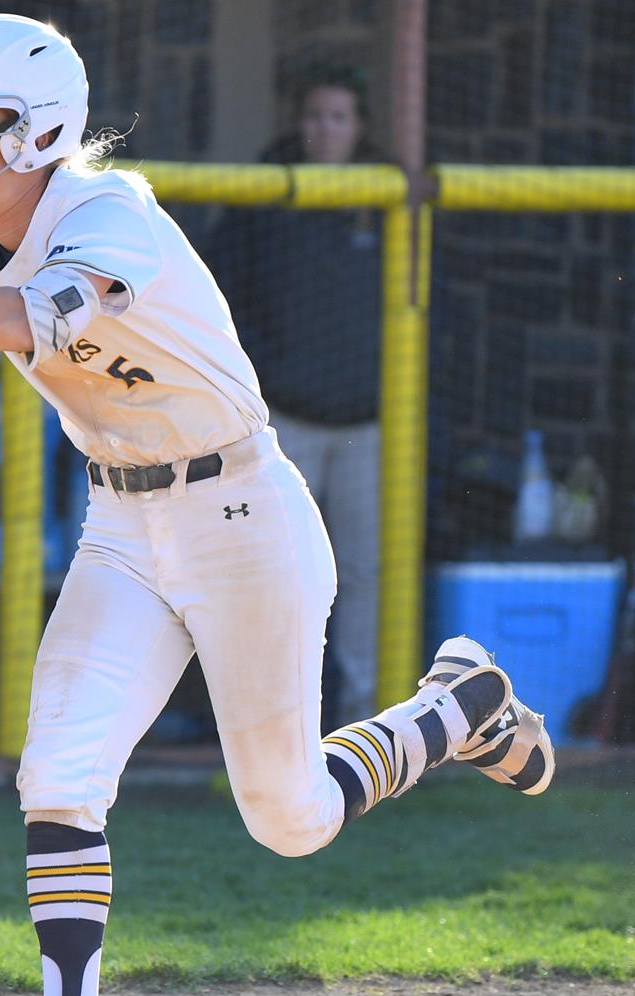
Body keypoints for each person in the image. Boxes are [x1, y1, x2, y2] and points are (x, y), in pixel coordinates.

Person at [0, 13, 555, 996]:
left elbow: (32, 315)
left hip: (241, 517)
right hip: (123, 525)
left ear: (35, 134)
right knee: (58, 773)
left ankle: (454, 709)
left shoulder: (107, 212)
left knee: (288, 818)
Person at [205, 62, 385, 732]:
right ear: (297, 121)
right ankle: (274, 732)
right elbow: (219, 299)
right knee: (279, 578)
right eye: (314, 115)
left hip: (370, 430)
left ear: (358, 126)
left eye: (338, 117)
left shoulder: (389, 192)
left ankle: (371, 734)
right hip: (284, 425)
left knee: (367, 578)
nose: (325, 129)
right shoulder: (264, 197)